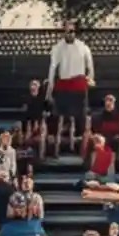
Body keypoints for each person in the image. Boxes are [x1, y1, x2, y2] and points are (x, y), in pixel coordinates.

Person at [46, 22, 94, 159]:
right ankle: (57, 149)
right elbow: (52, 68)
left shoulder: (83, 47)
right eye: (67, 31)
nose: (70, 34)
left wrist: (89, 80)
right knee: (60, 118)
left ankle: (81, 150)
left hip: (78, 84)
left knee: (80, 117)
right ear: (63, 32)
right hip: (63, 84)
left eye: (72, 31)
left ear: (75, 32)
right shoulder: (57, 48)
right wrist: (50, 88)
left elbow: (90, 67)